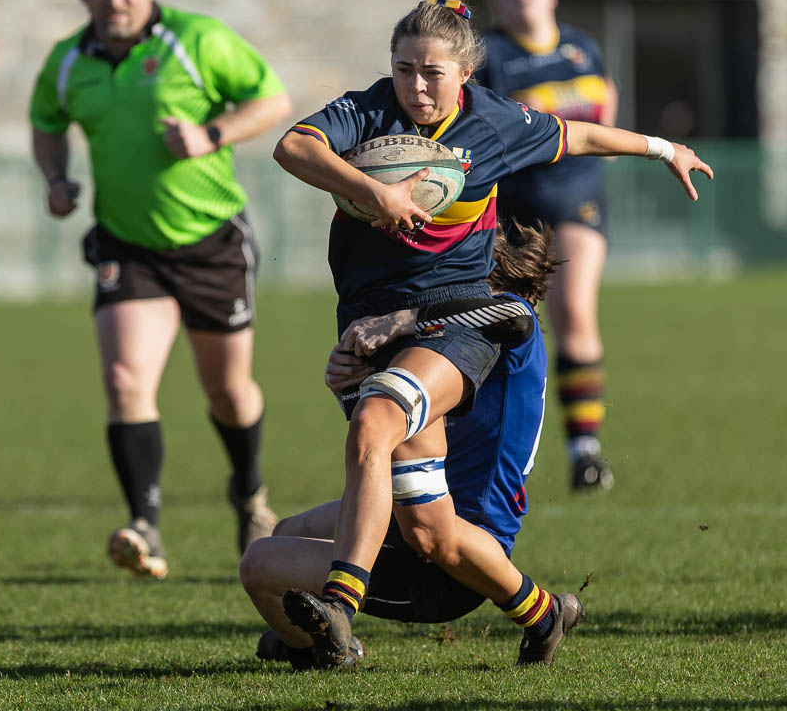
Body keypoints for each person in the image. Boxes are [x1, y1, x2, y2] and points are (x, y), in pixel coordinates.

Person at [272, 0, 712, 667]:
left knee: (376, 424)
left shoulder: (494, 123)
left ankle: (339, 604)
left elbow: (581, 135)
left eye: (433, 72)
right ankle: (540, 614)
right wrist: (373, 188)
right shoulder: (365, 112)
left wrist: (663, 148)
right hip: (374, 325)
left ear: (468, 73)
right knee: (416, 531)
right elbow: (293, 145)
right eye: (404, 68)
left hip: (455, 320)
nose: (417, 86)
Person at [29, 0, 292, 579]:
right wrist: (57, 180)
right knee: (125, 382)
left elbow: (273, 101)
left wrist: (212, 135)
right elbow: (46, 121)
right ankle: (144, 523)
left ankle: (249, 493)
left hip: (211, 242)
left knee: (227, 391)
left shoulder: (197, 40)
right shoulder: (68, 61)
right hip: (127, 245)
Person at [241, 222, 584, 670]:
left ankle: (319, 646)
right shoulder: (449, 345)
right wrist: (346, 383)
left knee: (259, 562)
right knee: (286, 533)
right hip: (417, 514)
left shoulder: (505, 318)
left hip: (453, 556)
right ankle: (312, 638)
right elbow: (382, 430)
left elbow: (512, 314)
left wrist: (406, 318)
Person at [476, 0, 619, 492]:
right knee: (506, 329)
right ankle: (492, 451)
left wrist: (603, 148)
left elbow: (606, 92)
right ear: (501, 7)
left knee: (575, 308)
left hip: (580, 197)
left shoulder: (583, 45)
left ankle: (585, 451)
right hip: (515, 210)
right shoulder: (491, 56)